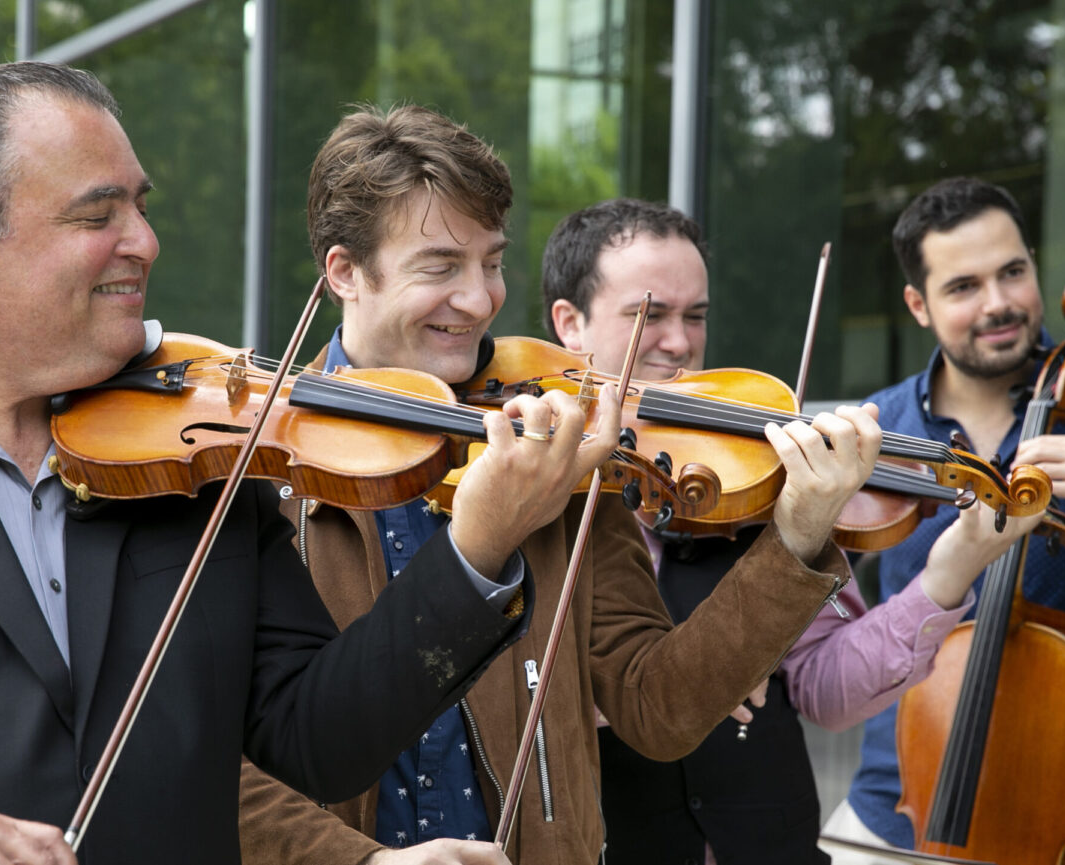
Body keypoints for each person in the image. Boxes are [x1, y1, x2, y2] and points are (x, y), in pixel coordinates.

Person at [0, 62, 621, 865]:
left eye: (140, 206)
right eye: (99, 214)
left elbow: (322, 739)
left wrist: (475, 547)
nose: (144, 240)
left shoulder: (203, 471)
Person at [235, 105, 884, 865]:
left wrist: (796, 537)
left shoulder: (558, 446)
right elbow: (198, 753)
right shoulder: (256, 462)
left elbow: (657, 704)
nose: (479, 300)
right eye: (441, 265)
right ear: (345, 271)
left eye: (491, 262)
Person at [542, 197, 1041, 865]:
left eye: (696, 316)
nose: (681, 341)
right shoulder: (535, 495)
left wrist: (951, 569)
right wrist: (693, 675)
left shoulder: (747, 478)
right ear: (569, 323)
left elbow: (827, 691)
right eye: (649, 315)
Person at [822, 176, 1065, 861]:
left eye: (1013, 272)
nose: (999, 303)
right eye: (963, 286)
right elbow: (810, 599)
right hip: (895, 814)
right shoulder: (880, 427)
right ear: (918, 304)